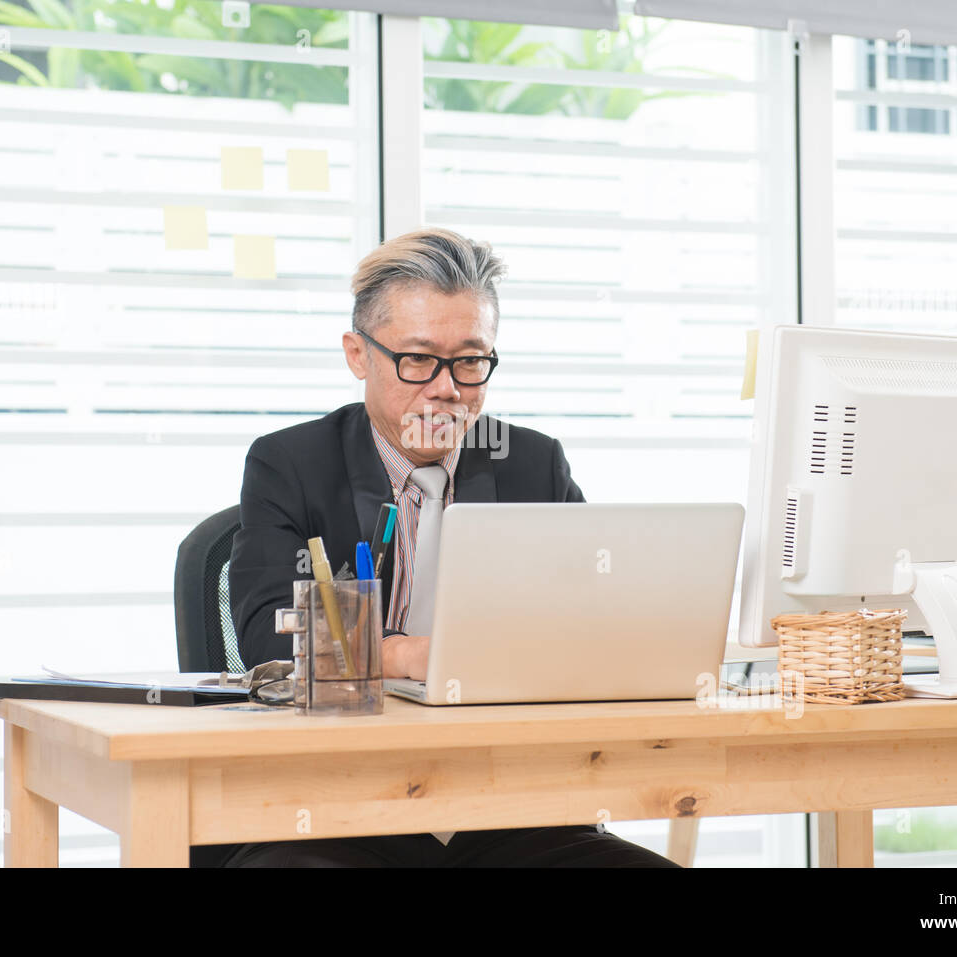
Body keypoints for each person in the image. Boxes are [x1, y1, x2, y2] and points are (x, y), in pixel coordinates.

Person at [223, 227, 678, 867]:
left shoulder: (532, 464)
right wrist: (408, 656)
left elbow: (592, 625)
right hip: (332, 811)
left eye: (470, 361)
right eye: (417, 360)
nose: (447, 389)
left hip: (507, 808)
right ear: (359, 354)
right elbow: (269, 640)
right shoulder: (290, 463)